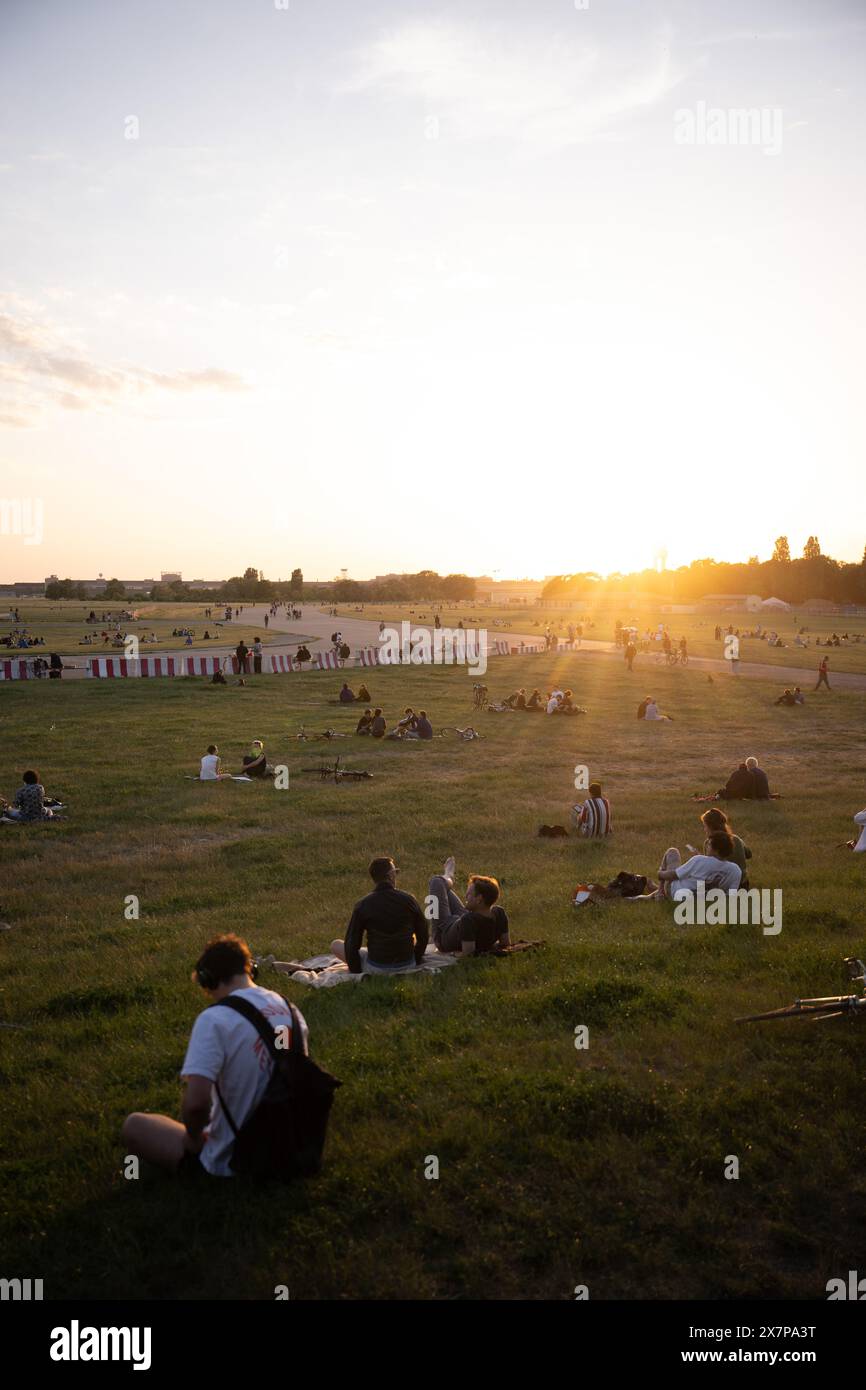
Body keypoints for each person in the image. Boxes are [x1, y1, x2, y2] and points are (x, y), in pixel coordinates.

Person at [121, 934, 309, 1177]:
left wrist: (193, 1138)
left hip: (238, 1159)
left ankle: (209, 1161)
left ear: (207, 980)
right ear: (250, 970)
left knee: (134, 1125)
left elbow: (197, 1104)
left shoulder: (214, 1020)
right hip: (294, 1146)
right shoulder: (289, 1009)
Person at [330, 857, 428, 975]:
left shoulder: (363, 905)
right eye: (395, 872)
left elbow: (352, 943)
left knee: (336, 945)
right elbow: (423, 934)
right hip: (407, 963)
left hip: (378, 966)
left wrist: (356, 970)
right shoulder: (409, 900)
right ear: (390, 875)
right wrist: (415, 959)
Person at [427, 857, 509, 955]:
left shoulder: (468, 920)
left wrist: (455, 954)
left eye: (469, 894)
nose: (465, 896)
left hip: (442, 932)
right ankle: (447, 880)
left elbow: (468, 955)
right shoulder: (499, 912)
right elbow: (505, 944)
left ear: (479, 899)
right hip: (459, 922)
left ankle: (448, 876)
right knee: (442, 889)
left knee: (436, 882)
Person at [695, 808, 751, 886]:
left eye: (705, 826)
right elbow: (749, 854)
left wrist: (700, 858)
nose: (704, 829)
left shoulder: (709, 843)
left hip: (725, 885)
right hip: (743, 884)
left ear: (710, 827)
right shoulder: (736, 839)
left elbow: (709, 870)